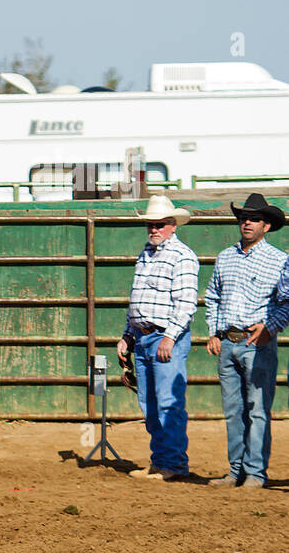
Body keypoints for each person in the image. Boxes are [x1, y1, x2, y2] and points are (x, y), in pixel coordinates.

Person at [204, 193, 289, 488]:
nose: (247, 223)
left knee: (257, 409)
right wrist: (214, 331)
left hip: (258, 343)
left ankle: (254, 472)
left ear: (266, 226)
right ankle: (236, 470)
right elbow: (212, 296)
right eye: (244, 218)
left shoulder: (279, 261)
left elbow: (286, 302)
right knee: (233, 411)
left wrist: (270, 327)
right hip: (228, 340)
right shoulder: (226, 257)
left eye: (254, 219)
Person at [116, 195, 199, 482]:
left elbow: (187, 303)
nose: (154, 229)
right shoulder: (146, 254)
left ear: (173, 225)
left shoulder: (182, 256)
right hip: (143, 337)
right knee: (149, 403)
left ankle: (172, 463)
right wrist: (128, 336)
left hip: (164, 337)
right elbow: (137, 298)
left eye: (160, 225)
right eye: (151, 225)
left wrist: (170, 337)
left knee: (168, 402)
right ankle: (161, 460)